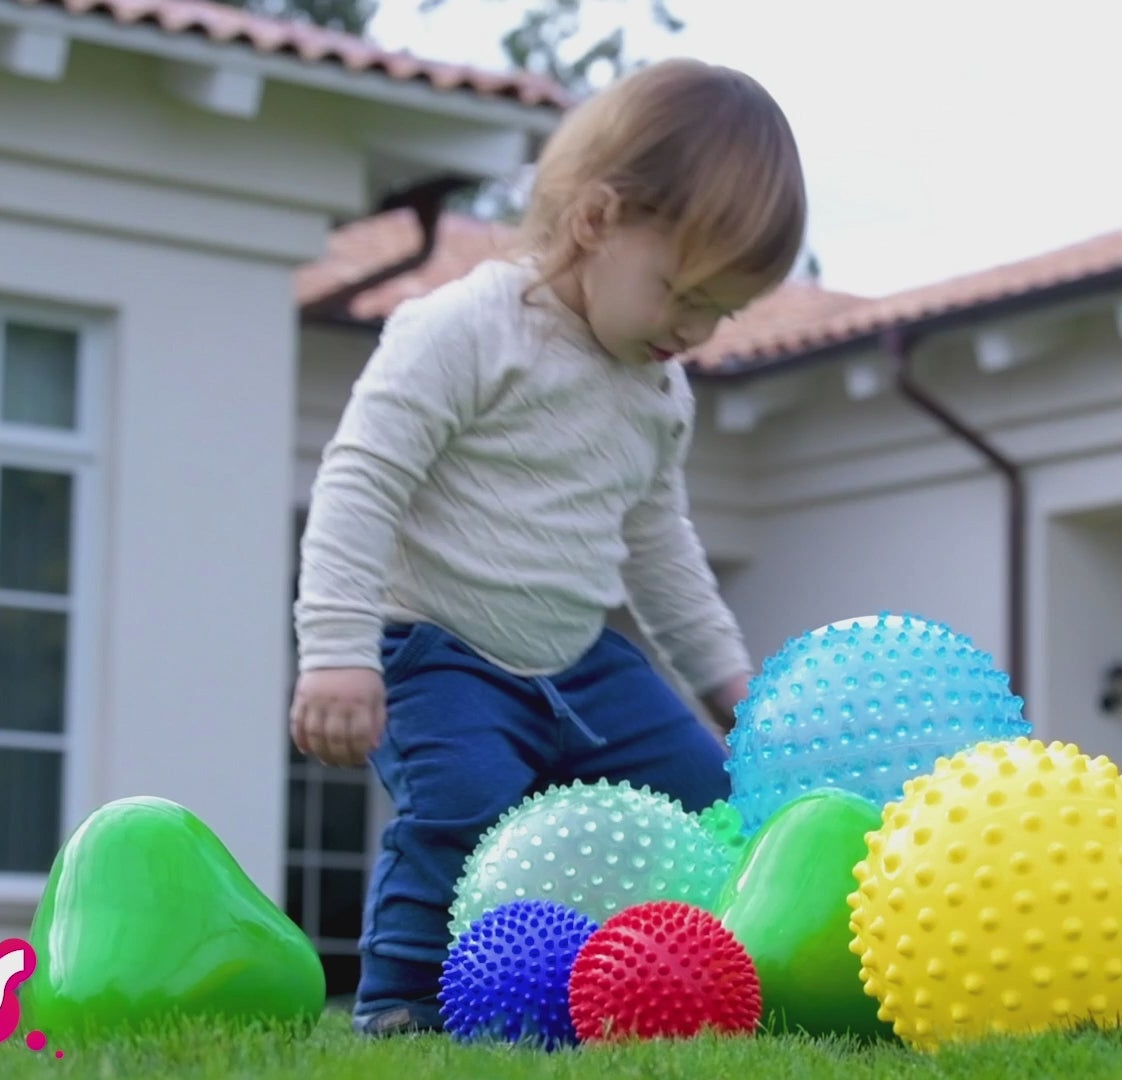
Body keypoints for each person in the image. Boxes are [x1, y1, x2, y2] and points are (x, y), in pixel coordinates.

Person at [288, 57, 807, 1036]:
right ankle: (401, 1004)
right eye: (682, 293)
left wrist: (733, 689)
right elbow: (361, 482)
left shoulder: (657, 391)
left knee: (703, 793)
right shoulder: (464, 330)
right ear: (597, 220)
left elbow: (660, 547)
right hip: (435, 649)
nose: (693, 330)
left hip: (578, 659)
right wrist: (337, 655)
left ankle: (681, 984)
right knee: (465, 796)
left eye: (721, 312)